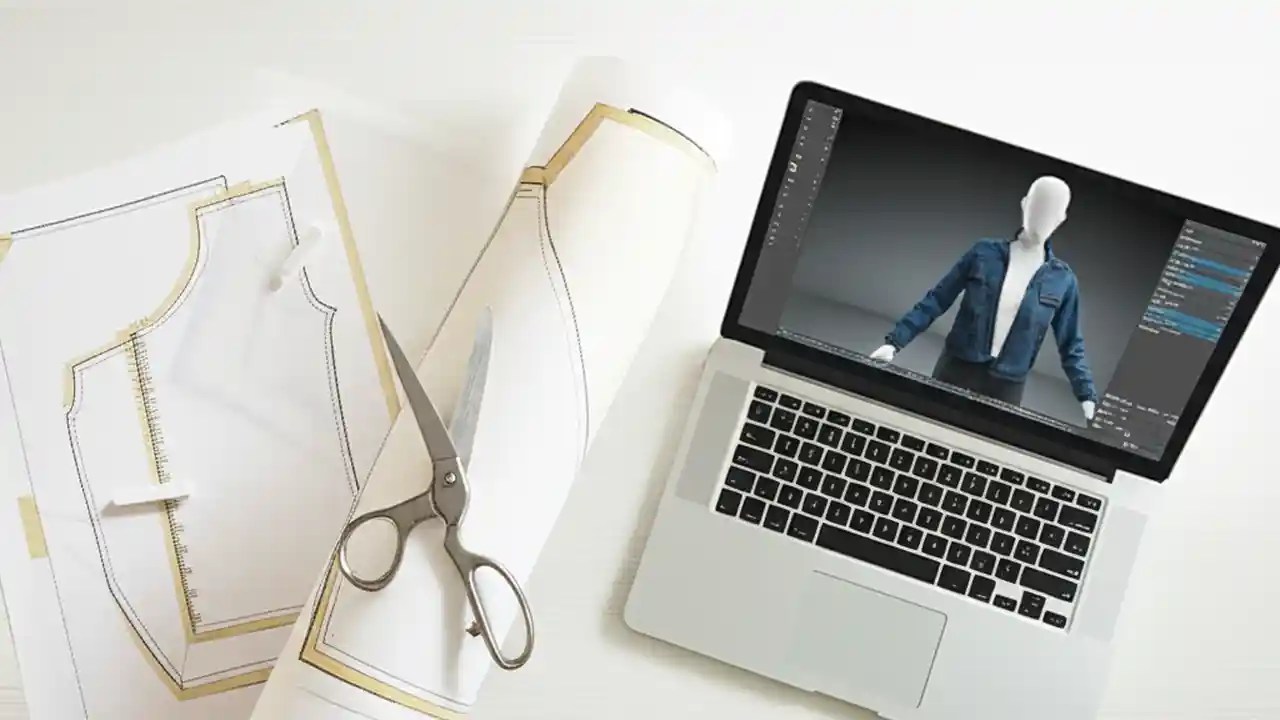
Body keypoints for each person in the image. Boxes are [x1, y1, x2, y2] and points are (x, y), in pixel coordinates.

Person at [868, 177, 1097, 421]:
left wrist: (1086, 395)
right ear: (1025, 204)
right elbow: (936, 300)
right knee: (928, 424)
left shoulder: (1063, 280)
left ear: (1061, 218)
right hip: (956, 367)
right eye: (1038, 206)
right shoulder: (984, 253)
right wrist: (895, 342)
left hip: (1007, 385)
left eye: (1051, 211)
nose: (1042, 217)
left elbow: (1071, 344)